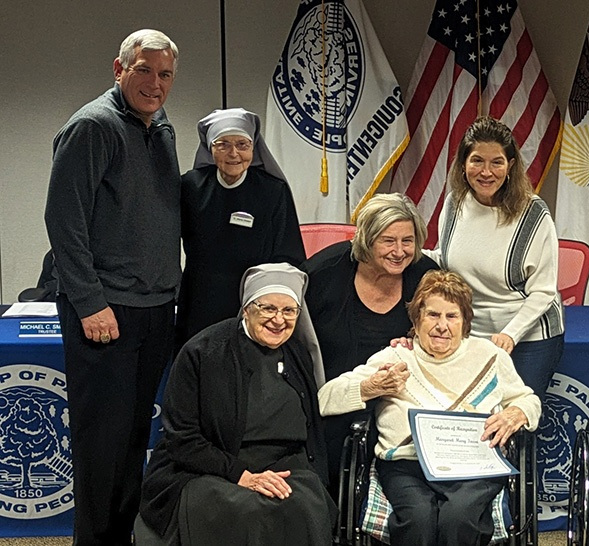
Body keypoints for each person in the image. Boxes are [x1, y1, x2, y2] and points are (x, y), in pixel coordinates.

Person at [43, 29, 181, 545]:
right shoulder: (92, 127)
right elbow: (63, 221)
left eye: (165, 74)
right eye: (144, 70)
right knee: (101, 446)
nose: (155, 83)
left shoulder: (160, 127)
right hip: (105, 313)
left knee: (131, 442)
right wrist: (90, 302)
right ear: (119, 69)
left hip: (153, 310)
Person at [318, 270, 541, 546]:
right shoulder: (396, 357)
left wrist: (516, 413)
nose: (442, 326)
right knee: (417, 519)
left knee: (458, 518)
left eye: (452, 316)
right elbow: (324, 398)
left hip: (472, 465)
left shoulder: (489, 356)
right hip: (406, 465)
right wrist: (371, 387)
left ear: (465, 321)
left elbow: (529, 400)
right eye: (433, 315)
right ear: (417, 318)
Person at [137, 263, 336, 545]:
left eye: (289, 311)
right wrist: (241, 475)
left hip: (286, 466)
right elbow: (183, 440)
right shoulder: (202, 352)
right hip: (208, 467)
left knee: (302, 505)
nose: (279, 320)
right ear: (246, 308)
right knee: (242, 510)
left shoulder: (298, 353)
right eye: (268, 308)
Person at [301, 193, 438, 493]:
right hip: (334, 394)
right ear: (367, 238)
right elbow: (292, 336)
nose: (399, 251)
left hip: (400, 398)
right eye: (388, 240)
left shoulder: (426, 276)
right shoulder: (324, 273)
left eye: (408, 241)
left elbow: (446, 331)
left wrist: (419, 342)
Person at [426, 116, 564, 398]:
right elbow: (448, 257)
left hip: (528, 337)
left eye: (496, 162)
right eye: (477, 160)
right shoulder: (455, 203)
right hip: (469, 334)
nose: (486, 172)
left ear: (510, 167)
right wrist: (403, 254)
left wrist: (510, 334)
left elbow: (544, 291)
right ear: (463, 164)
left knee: (515, 421)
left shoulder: (534, 215)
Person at [175, 108, 305, 347]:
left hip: (254, 303)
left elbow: (289, 254)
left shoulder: (273, 191)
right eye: (222, 144)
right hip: (199, 301)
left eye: (242, 145)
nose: (233, 153)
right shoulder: (190, 187)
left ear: (253, 148)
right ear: (209, 148)